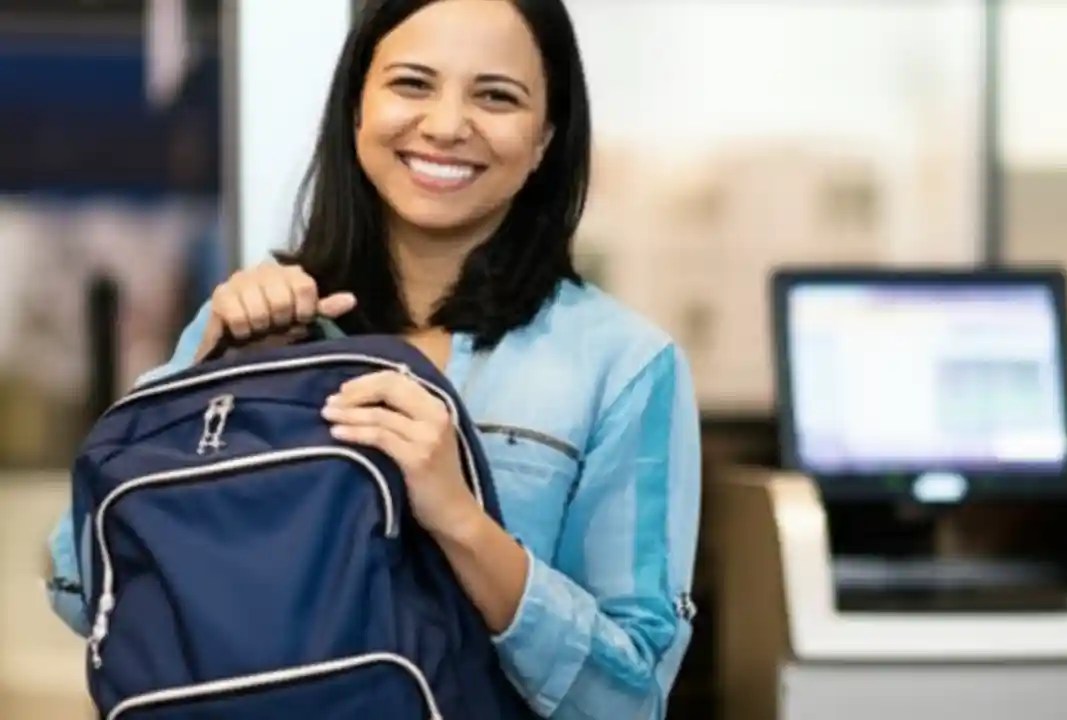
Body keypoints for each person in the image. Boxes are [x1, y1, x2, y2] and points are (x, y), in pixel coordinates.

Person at [44, 1, 702, 718]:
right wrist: (201, 382)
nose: (447, 125)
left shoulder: (623, 365)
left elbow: (630, 697)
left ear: (546, 135)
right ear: (357, 106)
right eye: (413, 84)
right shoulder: (248, 319)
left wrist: (461, 521)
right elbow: (80, 586)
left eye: (496, 96)